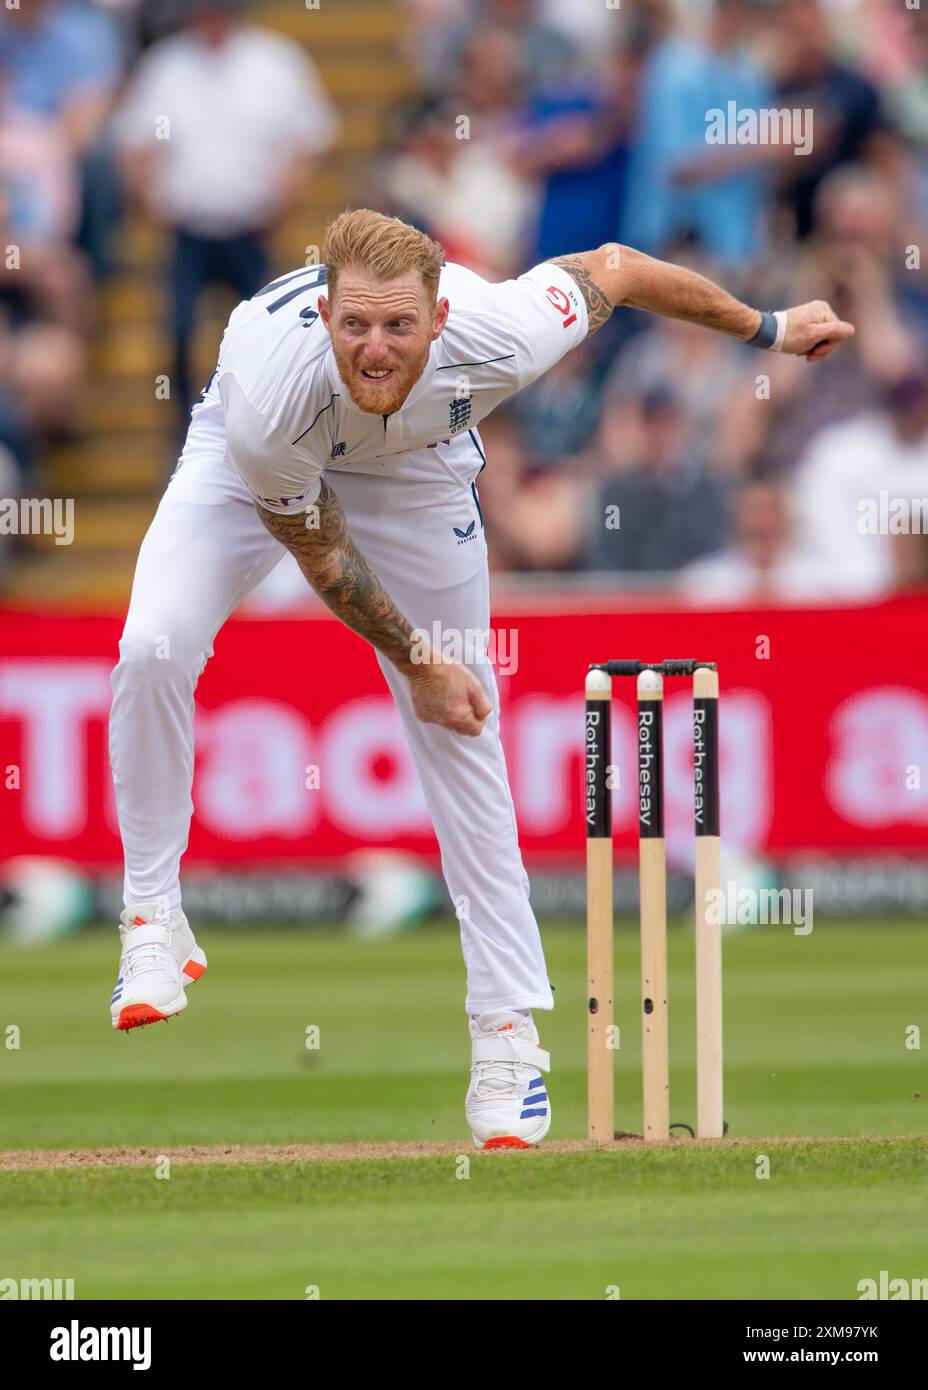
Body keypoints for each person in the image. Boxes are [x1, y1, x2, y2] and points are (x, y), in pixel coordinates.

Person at [108, 208, 853, 1149]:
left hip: (420, 470)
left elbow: (617, 269)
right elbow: (318, 545)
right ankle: (153, 915)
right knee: (151, 649)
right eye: (355, 325)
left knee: (464, 727)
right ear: (327, 313)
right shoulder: (268, 394)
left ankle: (506, 1038)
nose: (375, 350)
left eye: (400, 327)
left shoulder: (503, 328)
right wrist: (416, 658)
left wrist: (769, 329)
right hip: (267, 460)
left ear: (440, 316)